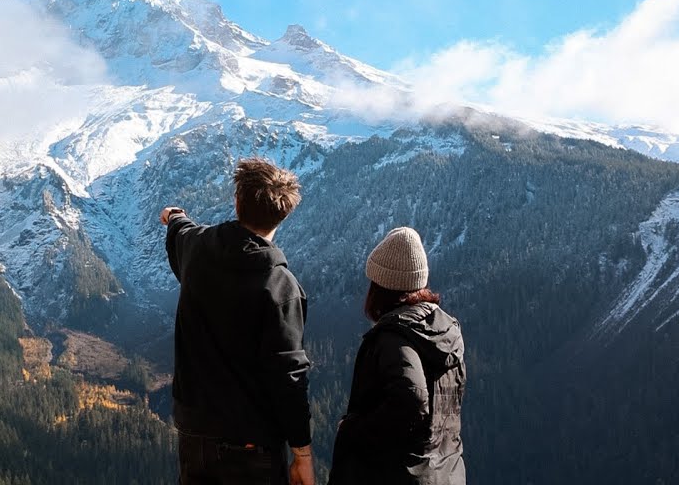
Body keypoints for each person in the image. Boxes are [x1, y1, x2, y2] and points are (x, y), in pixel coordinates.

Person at [160, 157, 314, 485]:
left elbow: (180, 231)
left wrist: (174, 215)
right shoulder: (280, 288)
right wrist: (302, 454)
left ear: (237, 201)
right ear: (284, 215)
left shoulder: (197, 249)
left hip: (193, 433)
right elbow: (289, 375)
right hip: (250, 444)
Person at [328, 227, 466, 485]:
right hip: (446, 472)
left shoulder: (395, 337)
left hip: (398, 475)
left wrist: (353, 429)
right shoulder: (446, 332)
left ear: (381, 288)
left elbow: (412, 400)